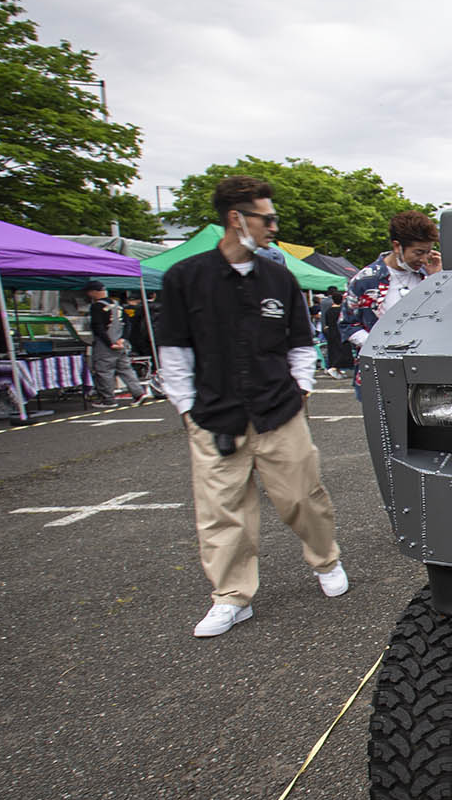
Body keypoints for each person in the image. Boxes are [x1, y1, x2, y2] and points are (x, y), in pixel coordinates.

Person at [155, 174, 348, 638]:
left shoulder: (278, 277)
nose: (272, 227)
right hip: (214, 415)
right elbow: (174, 351)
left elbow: (301, 344)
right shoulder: (185, 278)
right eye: (268, 218)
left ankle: (326, 561)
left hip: (279, 410)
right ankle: (231, 596)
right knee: (221, 511)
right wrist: (186, 408)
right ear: (236, 218)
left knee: (303, 496)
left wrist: (301, 390)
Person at [339, 210, 441, 393]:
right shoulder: (365, 280)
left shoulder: (428, 276)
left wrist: (438, 279)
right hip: (379, 373)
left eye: (428, 252)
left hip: (424, 372)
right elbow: (347, 325)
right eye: (418, 252)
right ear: (397, 246)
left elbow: (443, 317)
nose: (424, 259)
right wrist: (378, 346)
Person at [83, 281, 148, 406]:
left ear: (94, 292)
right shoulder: (117, 305)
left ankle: (108, 400)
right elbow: (128, 324)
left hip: (105, 345)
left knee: (104, 371)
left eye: (89, 292)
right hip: (121, 343)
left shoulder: (97, 306)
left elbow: (98, 327)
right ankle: (138, 393)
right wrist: (123, 339)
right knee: (126, 369)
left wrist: (110, 343)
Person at [319, 291, 353, 376]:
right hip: (341, 333)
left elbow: (327, 324)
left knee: (333, 351)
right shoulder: (342, 311)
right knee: (344, 351)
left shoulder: (329, 311)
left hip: (331, 333)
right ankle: (334, 368)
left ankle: (336, 369)